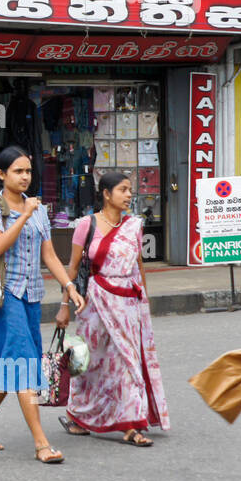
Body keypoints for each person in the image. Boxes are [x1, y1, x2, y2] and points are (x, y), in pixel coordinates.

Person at [0, 146, 85, 464]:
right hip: (6, 296)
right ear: (2, 174)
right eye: (18, 171)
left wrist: (69, 287)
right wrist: (25, 215)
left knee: (10, 365)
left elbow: (49, 255)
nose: (25, 177)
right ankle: (41, 443)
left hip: (32, 295)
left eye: (28, 171)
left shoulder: (39, 209)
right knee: (24, 366)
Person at [56, 171, 169, 446]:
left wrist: (145, 300)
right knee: (91, 362)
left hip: (128, 303)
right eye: (123, 190)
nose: (129, 195)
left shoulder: (133, 225)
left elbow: (137, 264)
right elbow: (71, 267)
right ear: (106, 194)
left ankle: (131, 423)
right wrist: (64, 305)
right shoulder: (86, 224)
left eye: (130, 190)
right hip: (94, 303)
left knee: (127, 361)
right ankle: (78, 415)